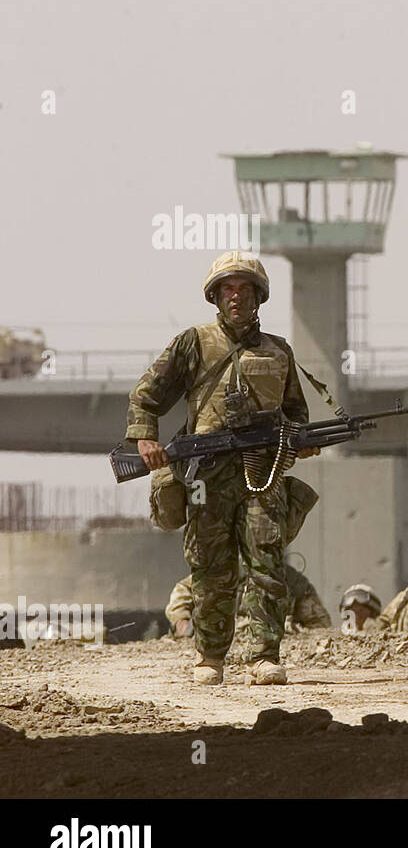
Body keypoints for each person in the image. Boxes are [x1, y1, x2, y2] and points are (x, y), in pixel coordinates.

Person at [126, 251, 319, 686]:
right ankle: (210, 656)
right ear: (216, 296)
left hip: (261, 472)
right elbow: (146, 395)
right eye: (228, 289)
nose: (237, 297)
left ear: (258, 297)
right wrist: (146, 438)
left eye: (245, 289)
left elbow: (295, 413)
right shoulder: (194, 342)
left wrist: (303, 442)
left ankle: (263, 656)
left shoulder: (279, 351)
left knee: (266, 562)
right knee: (211, 566)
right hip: (206, 476)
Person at [166, 564, 332, 637]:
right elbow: (184, 591)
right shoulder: (224, 572)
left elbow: (320, 627)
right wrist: (182, 622)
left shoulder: (291, 580)